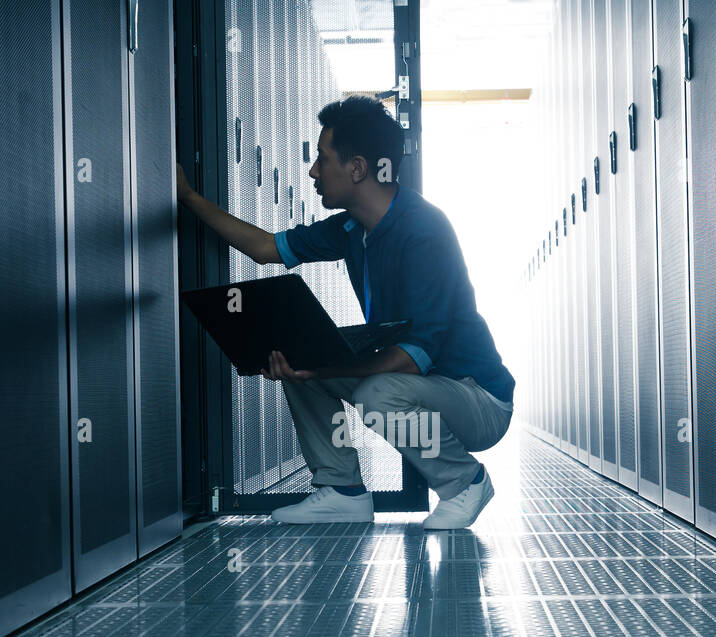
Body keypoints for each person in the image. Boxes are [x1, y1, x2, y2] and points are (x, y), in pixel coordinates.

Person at [176, 95, 514, 529]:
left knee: (373, 393)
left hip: (479, 398)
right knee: (298, 357)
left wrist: (326, 370)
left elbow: (416, 356)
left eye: (321, 158)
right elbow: (264, 249)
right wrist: (188, 197)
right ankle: (343, 490)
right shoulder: (352, 228)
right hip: (420, 386)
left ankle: (464, 482)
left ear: (356, 168)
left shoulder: (424, 231)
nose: (313, 171)